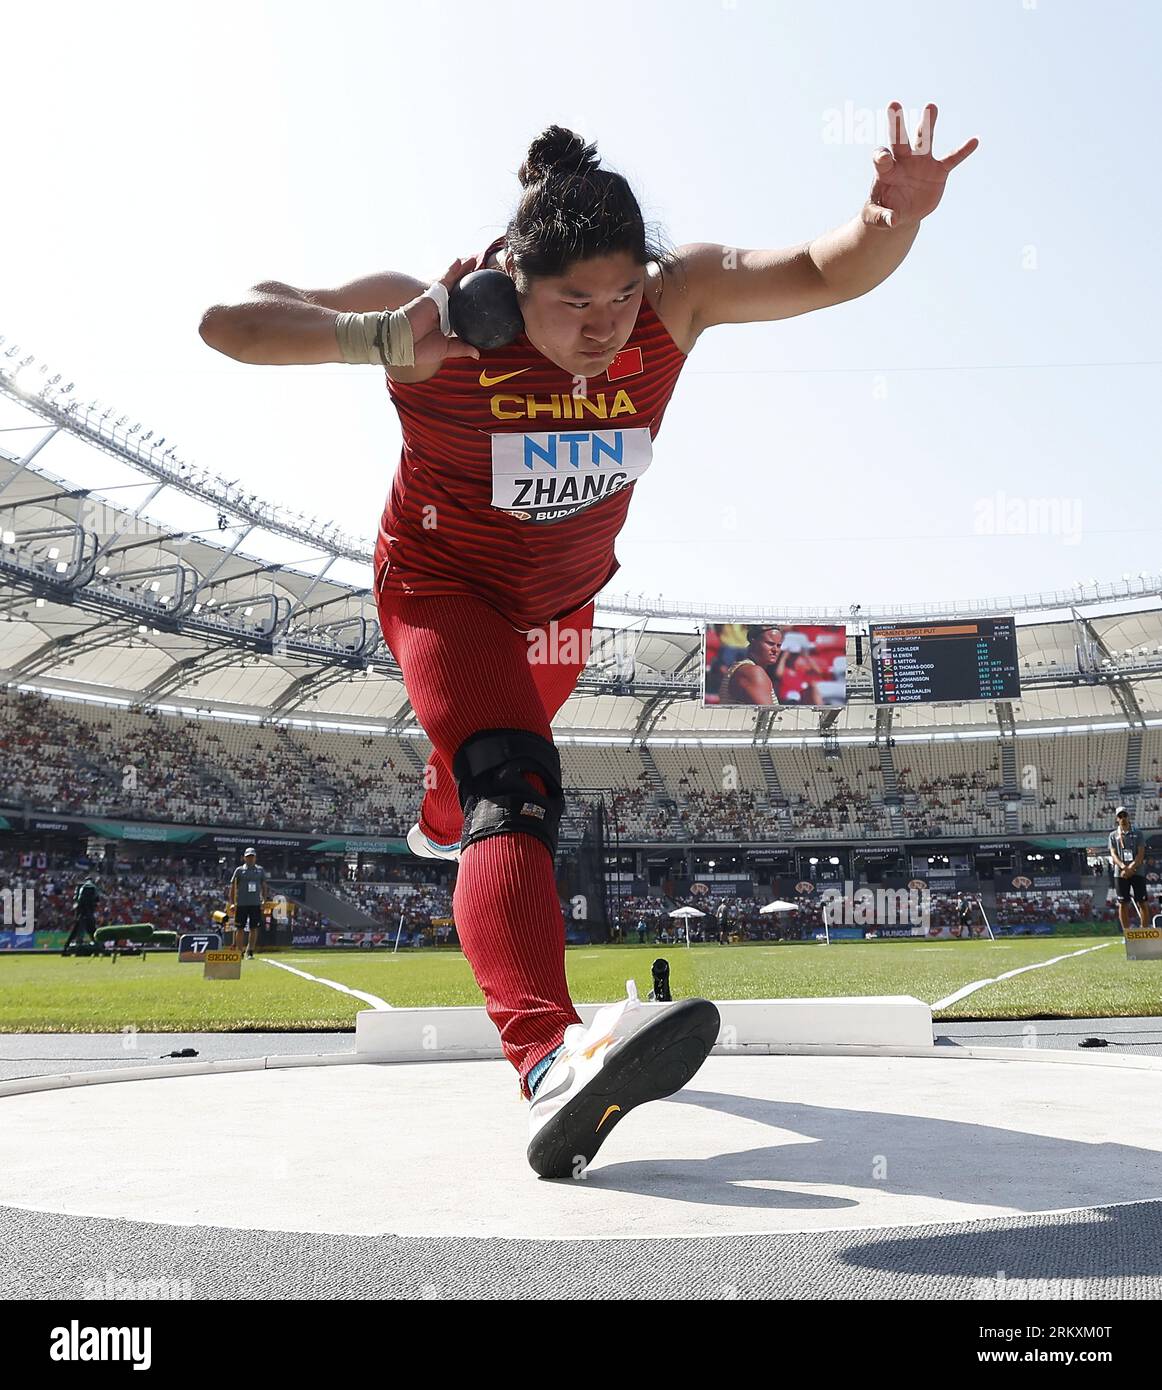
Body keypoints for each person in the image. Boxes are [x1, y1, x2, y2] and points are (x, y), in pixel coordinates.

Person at [200, 108, 976, 1177]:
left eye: (620, 294)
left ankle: (441, 813)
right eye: (573, 301)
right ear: (513, 280)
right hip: (443, 587)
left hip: (566, 609)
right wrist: (377, 337)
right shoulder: (432, 317)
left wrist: (890, 214)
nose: (606, 323)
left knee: (467, 791)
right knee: (511, 784)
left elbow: (821, 269)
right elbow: (227, 323)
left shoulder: (676, 300)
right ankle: (544, 1058)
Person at [1109, 807, 1151, 934]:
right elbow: (1113, 854)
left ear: (1128, 817)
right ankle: (1127, 933)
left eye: (1124, 815)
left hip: (1137, 871)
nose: (1123, 818)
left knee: (1142, 901)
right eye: (1120, 816)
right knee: (1122, 903)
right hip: (1120, 873)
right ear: (1117, 819)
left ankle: (1144, 931)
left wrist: (1131, 868)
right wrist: (1123, 867)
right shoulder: (1113, 835)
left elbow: (1140, 853)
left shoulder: (1138, 833)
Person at [228, 849, 271, 959]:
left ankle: (250, 951)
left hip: (255, 904)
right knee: (240, 928)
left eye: (252, 856)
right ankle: (239, 951)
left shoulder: (260, 870)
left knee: (253, 928)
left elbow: (264, 886)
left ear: (255, 857)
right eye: (248, 856)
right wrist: (232, 903)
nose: (250, 858)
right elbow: (232, 887)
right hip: (241, 904)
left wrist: (264, 900)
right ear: (244, 857)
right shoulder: (239, 870)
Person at [63, 873, 99, 956]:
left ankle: (65, 949)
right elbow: (97, 900)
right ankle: (98, 948)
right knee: (92, 932)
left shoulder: (81, 887)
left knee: (75, 932)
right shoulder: (93, 888)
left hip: (81, 914)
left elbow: (77, 899)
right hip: (89, 914)